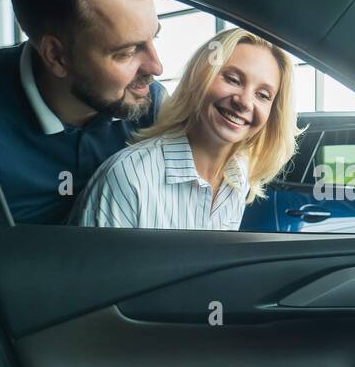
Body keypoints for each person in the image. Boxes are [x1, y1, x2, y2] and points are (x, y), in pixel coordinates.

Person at [0, 0, 167, 224]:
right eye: (126, 53)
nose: (157, 67)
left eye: (154, 38)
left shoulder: (152, 104)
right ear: (57, 56)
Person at [71, 27, 298, 230]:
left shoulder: (238, 177)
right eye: (232, 79)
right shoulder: (129, 178)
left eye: (263, 95)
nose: (245, 102)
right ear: (199, 79)